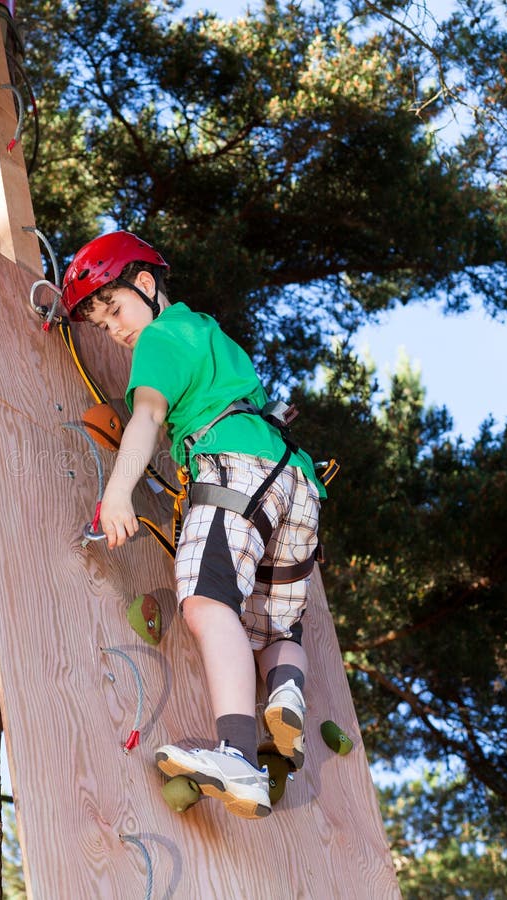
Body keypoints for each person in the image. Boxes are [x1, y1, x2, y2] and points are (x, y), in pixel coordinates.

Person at [60, 231, 327, 820]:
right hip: (296, 483)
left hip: (234, 470)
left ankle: (238, 755)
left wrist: (116, 494)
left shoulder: (161, 335)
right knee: (272, 627)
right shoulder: (210, 334)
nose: (115, 330)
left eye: (115, 310)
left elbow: (148, 415)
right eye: (102, 326)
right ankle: (286, 695)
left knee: (206, 602)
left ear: (146, 285)